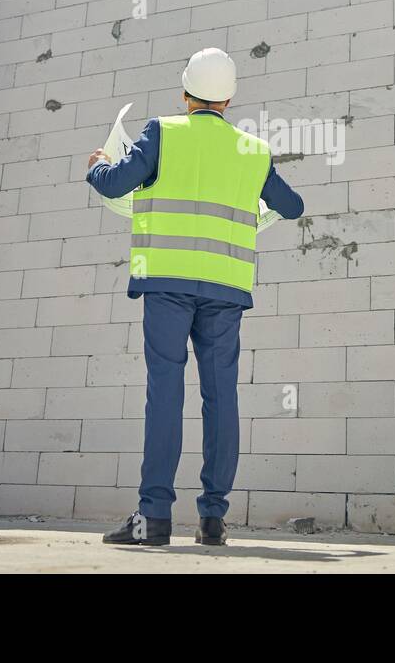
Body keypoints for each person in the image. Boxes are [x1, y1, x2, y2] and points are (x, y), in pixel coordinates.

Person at [85, 48, 304, 546]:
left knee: (165, 392)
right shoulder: (254, 150)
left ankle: (154, 519)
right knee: (221, 397)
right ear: (228, 98)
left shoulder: (163, 131)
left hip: (166, 284)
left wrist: (97, 166)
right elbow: (292, 207)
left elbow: (117, 182)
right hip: (225, 291)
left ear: (186, 95)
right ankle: (213, 520)